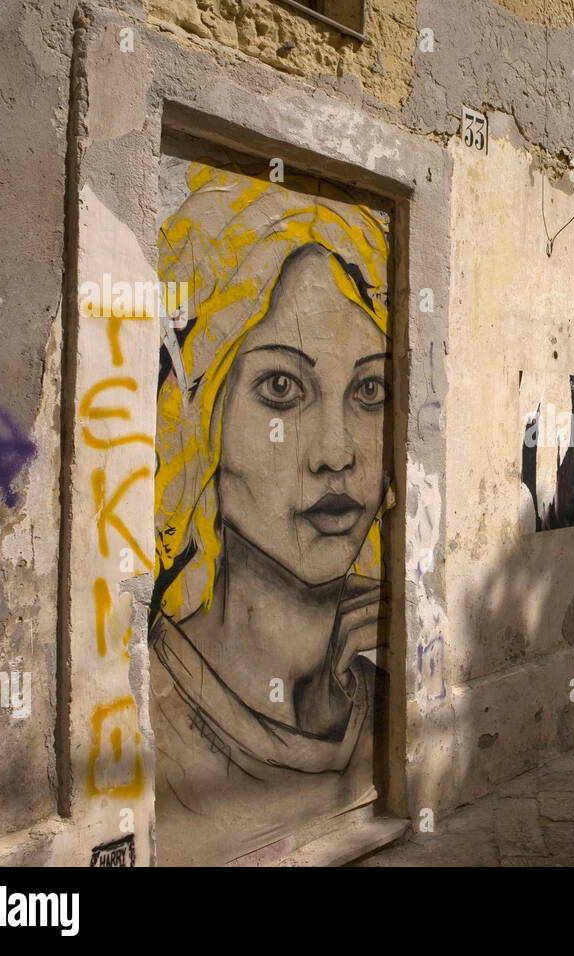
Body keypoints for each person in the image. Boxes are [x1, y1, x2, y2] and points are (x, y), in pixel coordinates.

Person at [150, 159, 392, 865]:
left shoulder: (382, 701)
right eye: (282, 387)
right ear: (202, 422)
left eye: (370, 391)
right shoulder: (146, 712)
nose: (336, 453)